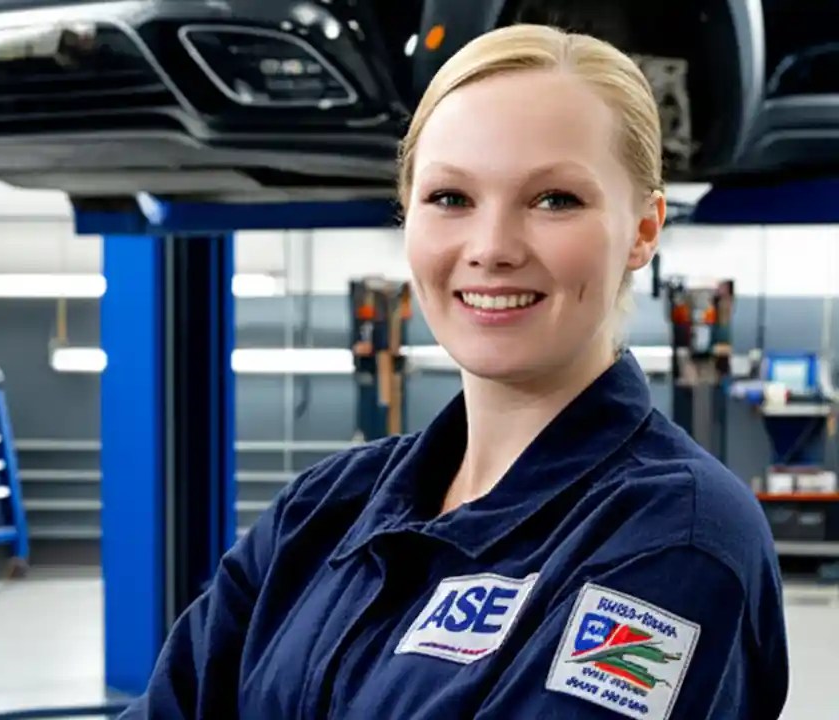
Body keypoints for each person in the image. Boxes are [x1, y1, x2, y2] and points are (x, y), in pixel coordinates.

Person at [117, 23, 790, 720]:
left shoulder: (674, 537)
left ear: (644, 229)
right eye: (450, 199)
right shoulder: (322, 512)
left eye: (555, 199)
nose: (492, 247)